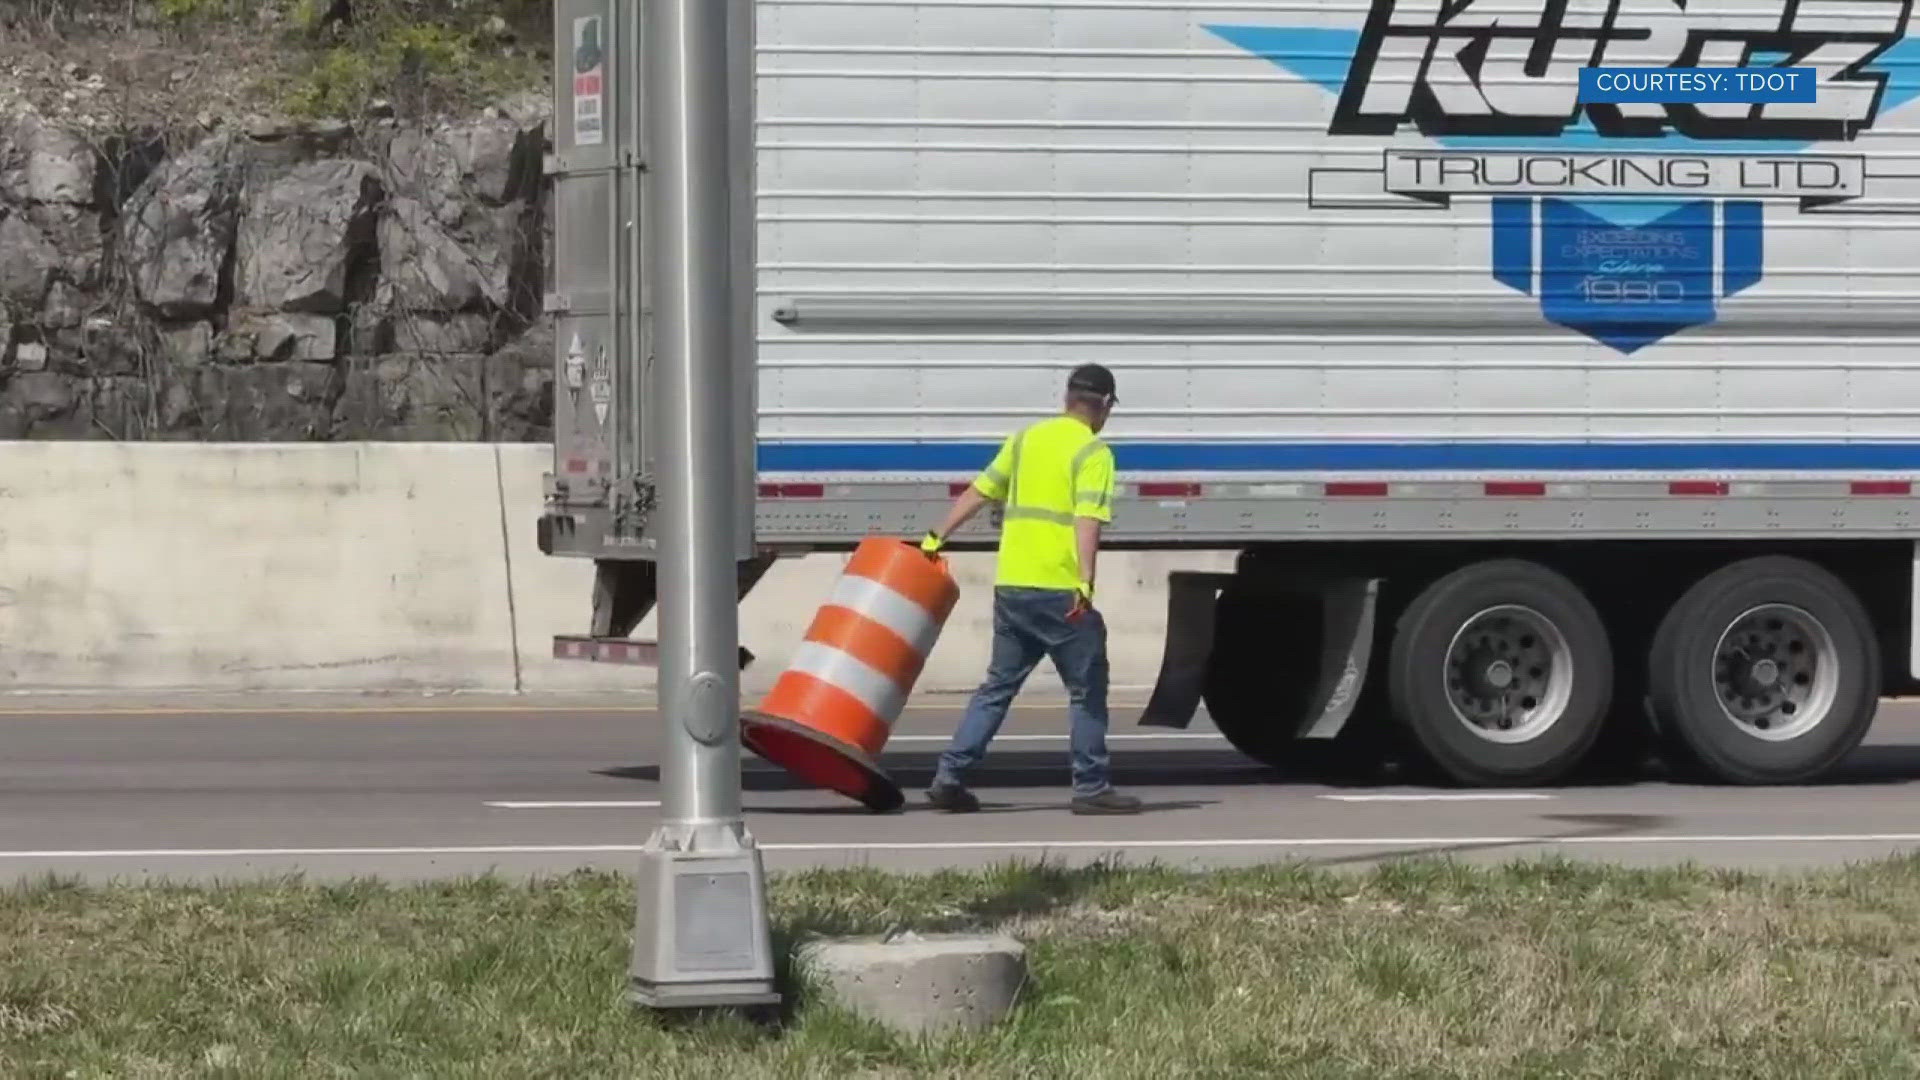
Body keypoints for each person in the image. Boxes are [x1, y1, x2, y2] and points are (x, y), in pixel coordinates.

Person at [916, 363, 1143, 815]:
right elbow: (1087, 518)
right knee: (1086, 689)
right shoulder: (1093, 452)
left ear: (1066, 398)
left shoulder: (1025, 439)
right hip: (1059, 589)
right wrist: (1085, 581)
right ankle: (1092, 786)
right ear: (1104, 406)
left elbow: (980, 491)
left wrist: (935, 536)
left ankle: (950, 777)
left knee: (997, 687)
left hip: (1013, 586)